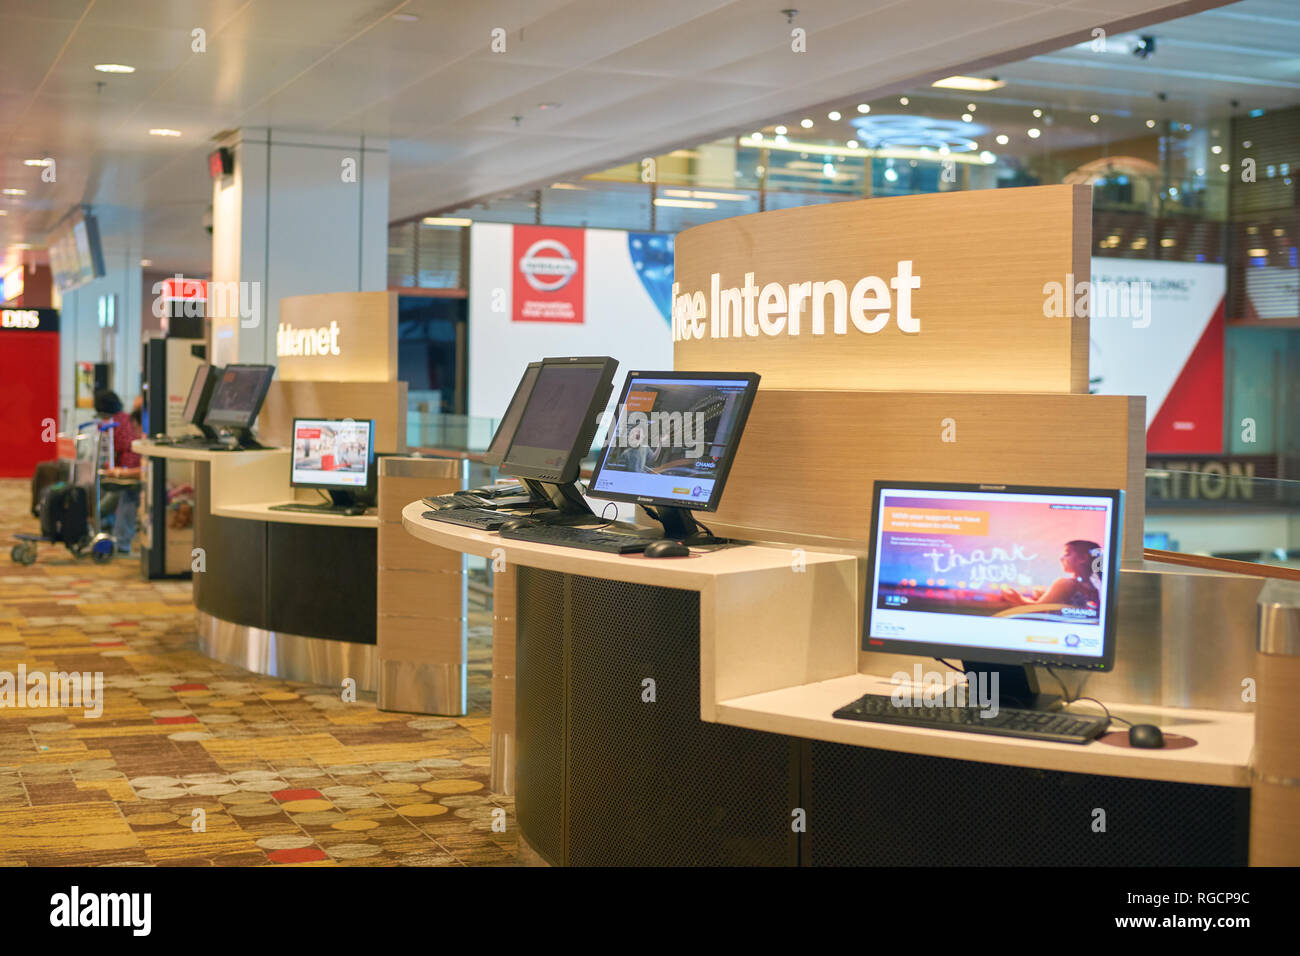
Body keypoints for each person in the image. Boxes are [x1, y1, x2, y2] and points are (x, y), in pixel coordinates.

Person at [93, 389, 142, 554]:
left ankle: (98, 519)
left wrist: (114, 469)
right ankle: (103, 521)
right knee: (117, 494)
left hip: (128, 467)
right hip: (133, 464)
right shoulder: (127, 418)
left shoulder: (110, 424)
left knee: (113, 489)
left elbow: (114, 449)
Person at [1000, 540, 1102, 612]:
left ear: (1083, 558)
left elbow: (1039, 610)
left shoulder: (1066, 584)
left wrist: (1017, 598)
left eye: (1067, 553)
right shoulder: (1094, 588)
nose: (1061, 558)